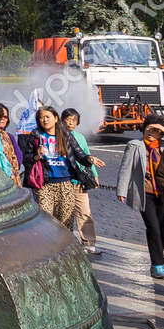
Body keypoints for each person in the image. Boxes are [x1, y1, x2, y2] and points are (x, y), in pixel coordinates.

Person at [118, 121, 164, 278]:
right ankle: (158, 264)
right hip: (145, 193)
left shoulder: (162, 147)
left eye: (156, 130)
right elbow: (126, 168)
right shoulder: (135, 145)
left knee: (161, 228)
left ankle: (157, 260)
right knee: (153, 227)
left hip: (163, 193)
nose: (151, 132)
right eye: (149, 128)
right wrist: (122, 190)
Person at [17, 104, 80, 226]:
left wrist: (90, 159)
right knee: (45, 221)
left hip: (65, 183)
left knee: (66, 222)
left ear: (56, 118)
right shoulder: (35, 135)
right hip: (44, 184)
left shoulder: (65, 134)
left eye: (47, 117)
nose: (45, 120)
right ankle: (46, 245)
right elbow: (26, 158)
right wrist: (36, 156)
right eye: (41, 117)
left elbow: (79, 153)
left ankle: (64, 245)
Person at [60, 106, 105, 256]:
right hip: (64, 181)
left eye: (74, 120)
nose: (71, 123)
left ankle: (89, 243)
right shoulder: (57, 137)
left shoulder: (80, 137)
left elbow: (87, 156)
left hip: (80, 181)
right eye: (68, 120)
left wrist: (94, 175)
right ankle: (66, 242)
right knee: (65, 214)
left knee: (85, 212)